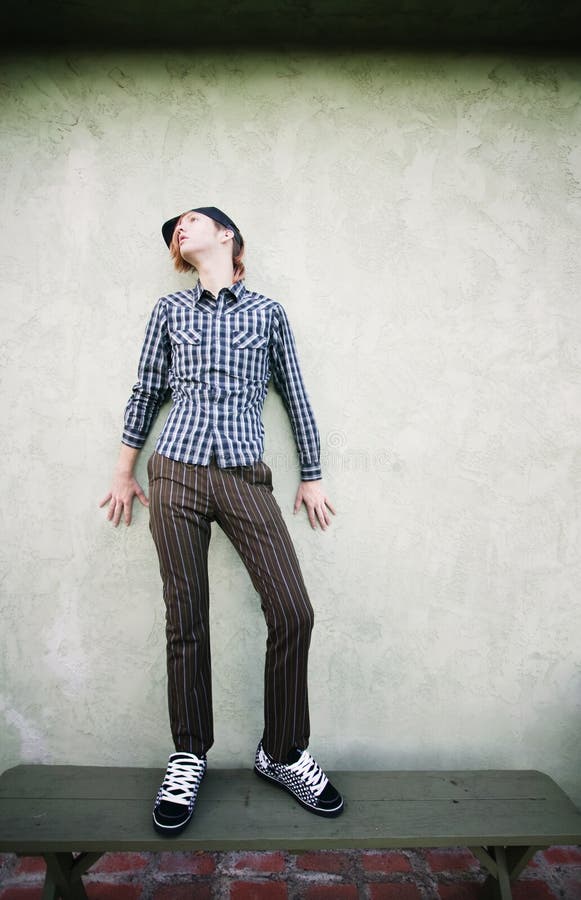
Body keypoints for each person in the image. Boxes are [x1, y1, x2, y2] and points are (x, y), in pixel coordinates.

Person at [100, 205, 343, 835]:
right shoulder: (169, 312)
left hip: (243, 475)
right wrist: (124, 470)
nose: (179, 231)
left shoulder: (267, 314)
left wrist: (311, 474)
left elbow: (294, 391)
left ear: (225, 234)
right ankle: (188, 755)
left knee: (293, 609)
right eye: (173, 232)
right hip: (175, 471)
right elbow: (146, 389)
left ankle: (282, 753)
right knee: (186, 616)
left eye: (189, 221)